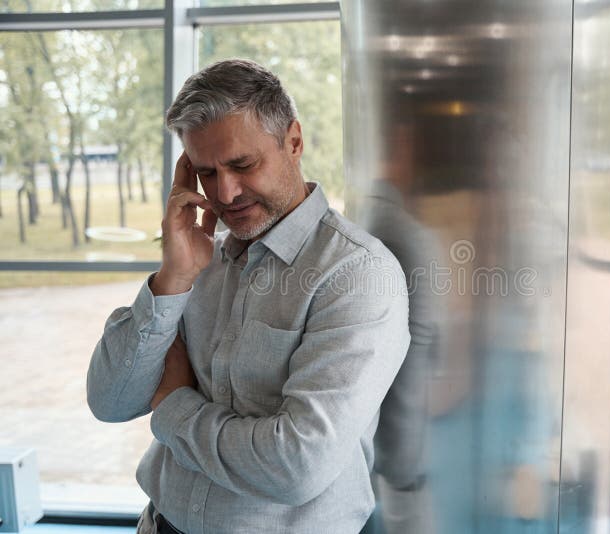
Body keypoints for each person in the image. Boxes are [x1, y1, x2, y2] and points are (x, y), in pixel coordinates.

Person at [86, 58, 410, 534]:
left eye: (242, 164)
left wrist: (174, 402)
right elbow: (109, 401)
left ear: (294, 142)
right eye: (206, 173)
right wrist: (171, 279)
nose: (226, 191)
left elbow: (297, 465)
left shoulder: (356, 273)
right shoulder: (198, 262)